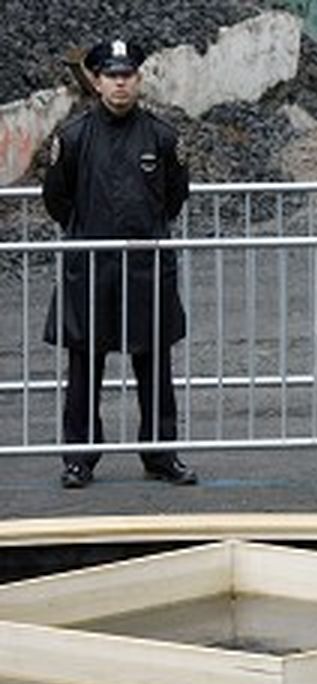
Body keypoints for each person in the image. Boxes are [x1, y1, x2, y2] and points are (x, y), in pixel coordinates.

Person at [42, 39, 195, 489]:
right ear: (95, 80)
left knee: (154, 367)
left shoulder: (163, 137)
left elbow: (173, 198)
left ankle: (160, 455)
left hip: (146, 270)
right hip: (90, 269)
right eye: (111, 75)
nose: (120, 83)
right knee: (85, 369)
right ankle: (80, 459)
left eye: (127, 75)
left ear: (139, 79)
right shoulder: (72, 138)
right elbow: (57, 200)